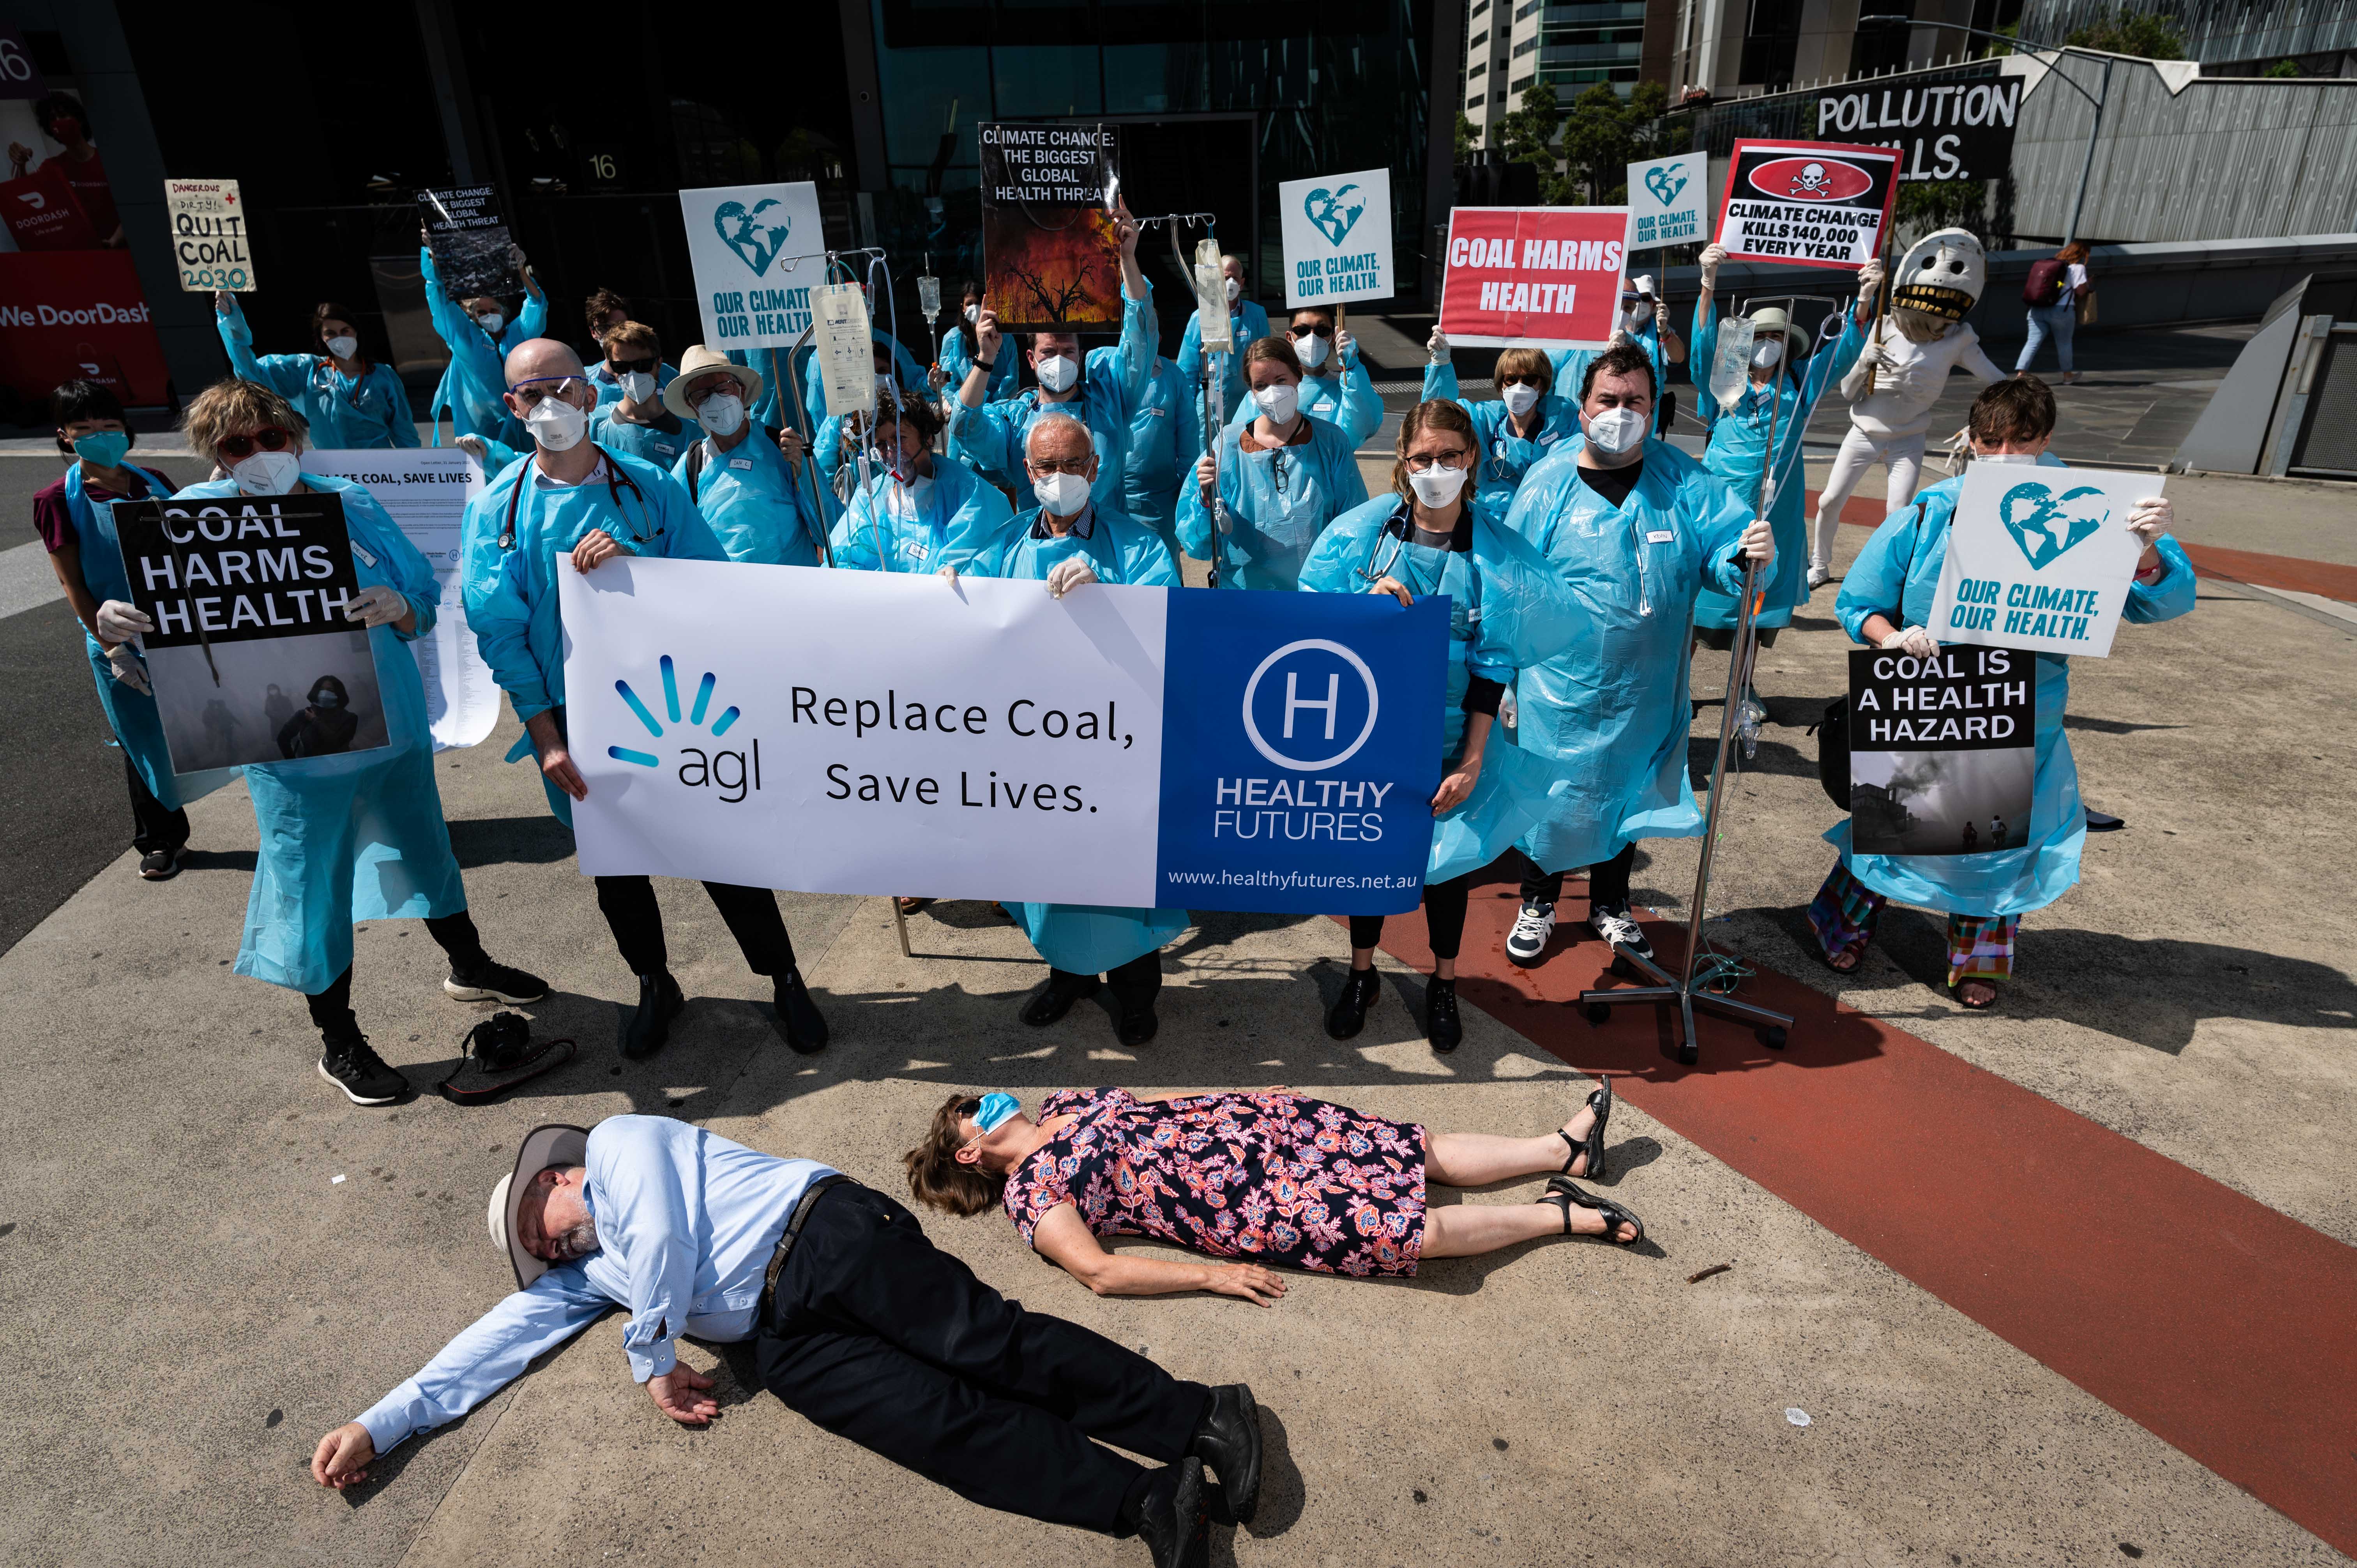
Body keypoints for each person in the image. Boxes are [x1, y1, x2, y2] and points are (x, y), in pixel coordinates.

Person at [309, 1116, 1262, 1568]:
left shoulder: (617, 1146)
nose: (552, 1241)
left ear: (556, 1169)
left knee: (990, 1344)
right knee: (936, 1427)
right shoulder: (594, 1272)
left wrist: (649, 1354)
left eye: (540, 1215)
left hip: (822, 1233)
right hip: (783, 1340)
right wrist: (380, 1421)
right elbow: (489, 1343)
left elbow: (663, 1234)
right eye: (539, 1248)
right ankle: (1148, 1498)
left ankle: (1203, 1414)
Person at [94, 380, 546, 1103]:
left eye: (272, 438)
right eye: (238, 445)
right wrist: (116, 628)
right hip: (291, 752)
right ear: (216, 454)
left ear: (295, 438)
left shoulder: (349, 503)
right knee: (312, 888)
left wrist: (401, 607)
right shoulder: (183, 523)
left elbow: (425, 605)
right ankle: (339, 1040)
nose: (261, 454)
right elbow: (156, 633)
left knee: (425, 845)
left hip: (390, 723)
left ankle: (470, 963)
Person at [462, 339, 829, 1060]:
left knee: (721, 850)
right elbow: (498, 630)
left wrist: (640, 571)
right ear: (511, 407)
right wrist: (546, 736)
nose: (548, 406)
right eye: (529, 395)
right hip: (572, 721)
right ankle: (655, 982)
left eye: (561, 389)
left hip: (673, 708)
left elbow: (709, 585)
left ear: (589, 395)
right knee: (616, 866)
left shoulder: (650, 486)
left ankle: (784, 977)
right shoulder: (497, 511)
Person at [1809, 375, 2190, 1008]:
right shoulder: (1934, 509)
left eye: (2022, 439)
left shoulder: (2097, 511)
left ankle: (1977, 957)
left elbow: (2156, 601)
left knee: (1997, 840)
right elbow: (1860, 601)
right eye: (1991, 441)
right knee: (1894, 823)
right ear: (1972, 440)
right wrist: (1890, 638)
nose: (2005, 453)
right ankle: (1841, 920)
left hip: (2025, 705)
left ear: (2046, 437)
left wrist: (2145, 548)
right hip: (1931, 695)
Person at [1298, 399, 1585, 1050]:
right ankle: (1362, 972)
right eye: (1423, 457)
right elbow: (1309, 623)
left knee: (1450, 868)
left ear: (1471, 460)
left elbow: (1495, 661)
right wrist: (1360, 609)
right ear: (1403, 462)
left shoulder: (1496, 554)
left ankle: (1445, 980)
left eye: (1449, 457)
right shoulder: (1360, 534)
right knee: (1366, 859)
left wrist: (1471, 759)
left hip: (1456, 733)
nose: (1436, 468)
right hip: (1367, 732)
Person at [1496, 343, 1772, 968]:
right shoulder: (1548, 483)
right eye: (1608, 401)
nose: (1621, 413)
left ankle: (1610, 904)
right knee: (1550, 794)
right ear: (1584, 405)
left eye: (1634, 402)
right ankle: (1538, 901)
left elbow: (1723, 551)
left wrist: (1746, 555)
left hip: (1646, 687)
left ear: (1654, 408)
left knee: (1626, 795)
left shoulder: (1684, 480)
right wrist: (1506, 677)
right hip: (1558, 686)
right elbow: (1512, 582)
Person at [904, 1082, 1641, 1295]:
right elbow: (1097, 1270)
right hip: (1247, 1203)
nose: (1003, 1100)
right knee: (1408, 1229)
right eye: (988, 1109)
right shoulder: (1033, 1192)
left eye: (995, 1095)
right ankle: (1557, 1216)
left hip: (1262, 1127)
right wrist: (1211, 1276)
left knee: (1416, 1149)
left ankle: (1563, 1150)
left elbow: (1161, 1101)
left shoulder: (1067, 1100)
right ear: (972, 1151)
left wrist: (1250, 1092)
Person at [955, 419, 1188, 1046]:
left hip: (1114, 747)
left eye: (1072, 464)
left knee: (1120, 880)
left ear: (1095, 466)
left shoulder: (1136, 546)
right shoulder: (1002, 544)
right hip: (1035, 750)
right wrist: (947, 594)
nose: (1060, 478)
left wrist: (1110, 597)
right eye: (1045, 467)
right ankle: (1070, 978)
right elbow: (965, 615)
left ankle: (1137, 998)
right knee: (1050, 877)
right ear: (1028, 473)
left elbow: (1172, 626)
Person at [30, 379, 228, 881]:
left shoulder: (152, 480)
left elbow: (190, 535)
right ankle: (160, 840)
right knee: (140, 740)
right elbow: (72, 584)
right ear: (65, 436)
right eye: (86, 429)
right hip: (122, 640)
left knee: (219, 722)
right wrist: (112, 647)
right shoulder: (57, 499)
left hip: (182, 628)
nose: (101, 436)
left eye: (110, 426)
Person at [1688, 244, 1875, 657]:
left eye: (1776, 337)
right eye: (1759, 336)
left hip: (1776, 508)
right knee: (1702, 593)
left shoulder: (1800, 383)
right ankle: (1681, 688)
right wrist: (1707, 284)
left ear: (1788, 343)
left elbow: (1839, 357)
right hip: (1722, 499)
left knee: (1760, 599)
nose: (1767, 344)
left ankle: (1745, 689)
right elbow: (1701, 354)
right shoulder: (1722, 382)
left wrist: (1863, 302)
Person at [1810, 228, 2007, 590]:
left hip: (1909, 439)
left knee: (1897, 516)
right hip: (1864, 432)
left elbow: (1999, 382)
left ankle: (1884, 576)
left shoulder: (1957, 340)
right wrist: (1862, 364)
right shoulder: (1882, 327)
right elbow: (1847, 391)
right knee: (1829, 501)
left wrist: (1978, 427)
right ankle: (1820, 564)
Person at [952, 205, 1157, 515]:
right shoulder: (1015, 422)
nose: (1059, 360)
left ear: (1082, 355)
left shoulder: (1110, 400)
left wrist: (1127, 259)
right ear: (1032, 360)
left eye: (1068, 352)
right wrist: (985, 360)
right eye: (1049, 352)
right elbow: (966, 426)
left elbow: (1141, 337)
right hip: (1041, 552)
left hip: (1106, 547)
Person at [1177, 337, 1369, 591]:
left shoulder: (1331, 443)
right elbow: (1197, 543)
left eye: (1281, 381)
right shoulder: (1226, 448)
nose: (1273, 392)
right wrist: (1204, 498)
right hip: (1244, 597)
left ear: (1298, 375)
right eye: (1261, 385)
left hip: (1314, 593)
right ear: (1251, 391)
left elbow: (1354, 526)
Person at [664, 346, 823, 566]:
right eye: (702, 395)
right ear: (691, 406)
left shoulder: (784, 448)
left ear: (741, 390)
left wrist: (805, 470)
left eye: (724, 388)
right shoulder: (690, 467)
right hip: (729, 594)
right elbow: (673, 540)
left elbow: (828, 530)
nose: (716, 400)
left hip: (793, 590)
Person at [829, 392, 1013, 574]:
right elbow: (841, 564)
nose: (892, 453)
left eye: (900, 439)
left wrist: (955, 573)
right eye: (881, 445)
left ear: (928, 438)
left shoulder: (970, 495)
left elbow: (978, 565)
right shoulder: (868, 503)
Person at [212, 293, 421, 450]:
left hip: (381, 470)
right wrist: (232, 322)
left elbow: (404, 431)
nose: (340, 338)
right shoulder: (308, 371)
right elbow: (252, 372)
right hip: (334, 474)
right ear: (322, 338)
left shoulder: (384, 376)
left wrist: (414, 467)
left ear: (355, 331)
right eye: (331, 333)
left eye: (345, 331)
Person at [1417, 337, 1583, 520]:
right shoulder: (1485, 420)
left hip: (1547, 518)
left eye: (1529, 380)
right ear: (1501, 387)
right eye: (1511, 379)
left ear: (1542, 386)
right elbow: (1441, 416)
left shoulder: (1563, 420)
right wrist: (1441, 366)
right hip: (1493, 522)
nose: (1520, 386)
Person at [419, 225, 546, 447]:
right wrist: (436, 258)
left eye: (494, 311)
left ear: (504, 311)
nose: (489, 316)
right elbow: (440, 301)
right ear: (472, 316)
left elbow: (537, 303)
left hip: (526, 428)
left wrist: (520, 270)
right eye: (482, 312)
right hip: (480, 434)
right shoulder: (465, 340)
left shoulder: (520, 333)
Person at [1226, 307, 1382, 447]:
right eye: (1302, 331)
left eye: (1322, 331)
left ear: (1333, 338)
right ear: (1289, 337)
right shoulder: (1266, 390)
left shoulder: (1346, 388)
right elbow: (1238, 442)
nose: (1312, 338)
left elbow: (1364, 425)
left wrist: (1352, 369)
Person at [1546, 276, 1687, 431]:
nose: (1622, 313)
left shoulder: (1638, 350)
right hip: (1566, 432)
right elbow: (1546, 380)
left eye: (1628, 308)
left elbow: (1675, 359)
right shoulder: (1572, 340)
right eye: (1617, 305)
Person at [7, 92, 122, 246]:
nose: (58, 122)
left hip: (122, 252)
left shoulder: (111, 162)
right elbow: (23, 197)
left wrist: (115, 240)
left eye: (63, 115)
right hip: (79, 254)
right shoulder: (52, 167)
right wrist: (20, 164)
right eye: (53, 119)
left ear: (79, 120)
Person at [1120, 353, 1202, 568]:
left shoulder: (1173, 377)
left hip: (1161, 502)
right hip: (1115, 497)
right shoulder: (1109, 369)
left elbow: (1189, 440)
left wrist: (1189, 497)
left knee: (1162, 570)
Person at [587, 321, 699, 470]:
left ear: (659, 364)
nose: (633, 375)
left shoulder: (688, 434)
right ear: (613, 370)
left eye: (642, 366)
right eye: (622, 367)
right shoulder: (596, 425)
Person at [1175, 254, 1269, 417]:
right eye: (1226, 278)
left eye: (1235, 278)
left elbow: (1267, 358)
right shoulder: (1200, 317)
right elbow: (1187, 368)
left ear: (1242, 283)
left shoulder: (1256, 314)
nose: (1230, 283)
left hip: (1248, 400)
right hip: (1209, 402)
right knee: (1208, 442)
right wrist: (1185, 407)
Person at [581, 288, 677, 406]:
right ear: (593, 332)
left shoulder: (665, 372)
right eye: (603, 328)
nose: (612, 334)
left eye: (619, 326)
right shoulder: (584, 380)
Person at [2016, 240, 2092, 385]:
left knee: (2032, 342)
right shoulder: (2078, 268)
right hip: (2062, 311)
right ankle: (2068, 376)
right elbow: (2081, 292)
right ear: (2083, 254)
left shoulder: (2052, 265)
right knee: (2064, 343)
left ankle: (2021, 374)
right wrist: (2088, 284)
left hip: (2037, 309)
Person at [276, 676, 361, 758]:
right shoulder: (304, 715)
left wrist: (314, 720)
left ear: (339, 694)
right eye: (321, 689)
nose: (325, 693)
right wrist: (293, 763)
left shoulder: (349, 718)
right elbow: (282, 738)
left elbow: (337, 743)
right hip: (312, 769)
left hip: (341, 767)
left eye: (330, 690)